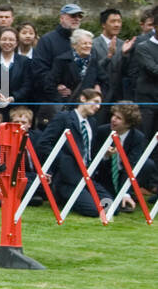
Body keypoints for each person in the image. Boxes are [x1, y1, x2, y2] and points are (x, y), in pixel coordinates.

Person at [37, 88, 111, 216]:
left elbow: (89, 150)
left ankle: (73, 200)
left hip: (87, 176)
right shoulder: (64, 117)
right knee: (95, 210)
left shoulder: (92, 123)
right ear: (83, 99)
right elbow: (43, 143)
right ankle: (63, 197)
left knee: (110, 205)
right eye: (95, 102)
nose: (98, 107)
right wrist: (63, 161)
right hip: (67, 178)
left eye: (100, 104)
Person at [100, 102, 156, 208]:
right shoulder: (102, 131)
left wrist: (125, 192)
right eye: (114, 115)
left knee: (147, 164)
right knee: (109, 199)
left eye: (118, 118)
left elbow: (130, 165)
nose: (113, 119)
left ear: (128, 124)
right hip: (106, 174)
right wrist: (106, 156)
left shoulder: (138, 137)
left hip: (126, 172)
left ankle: (128, 193)